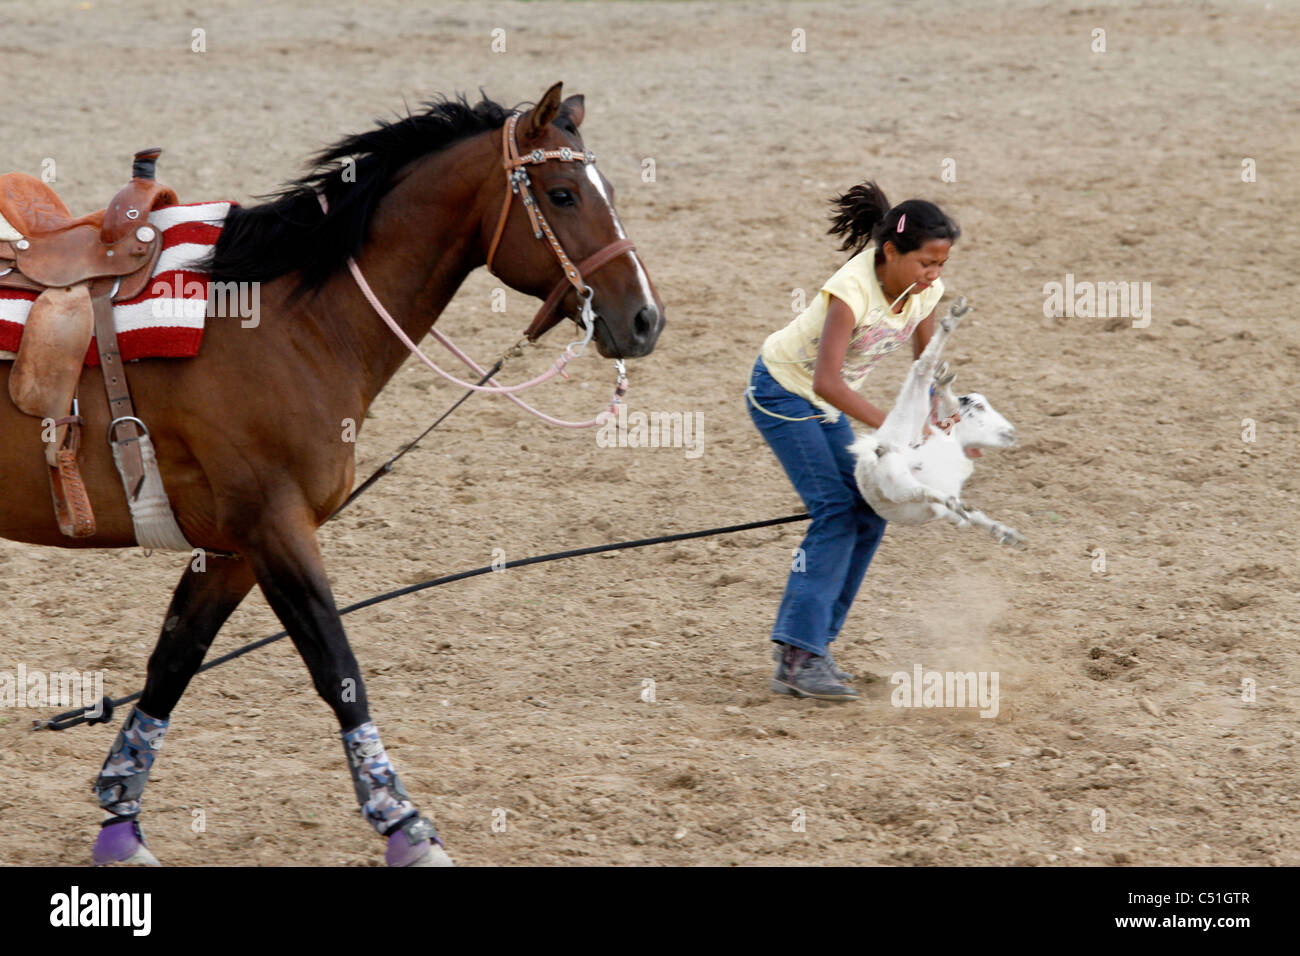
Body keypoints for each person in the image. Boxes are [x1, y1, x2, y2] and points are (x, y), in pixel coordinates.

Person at [745, 181, 960, 701]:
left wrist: (938, 410)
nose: (933, 275)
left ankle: (814, 646)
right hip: (783, 394)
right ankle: (798, 655)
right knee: (836, 512)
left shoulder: (924, 291)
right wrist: (892, 430)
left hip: (825, 405)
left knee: (870, 510)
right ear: (891, 252)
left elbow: (924, 365)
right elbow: (826, 382)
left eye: (941, 265)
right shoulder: (851, 291)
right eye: (925, 263)